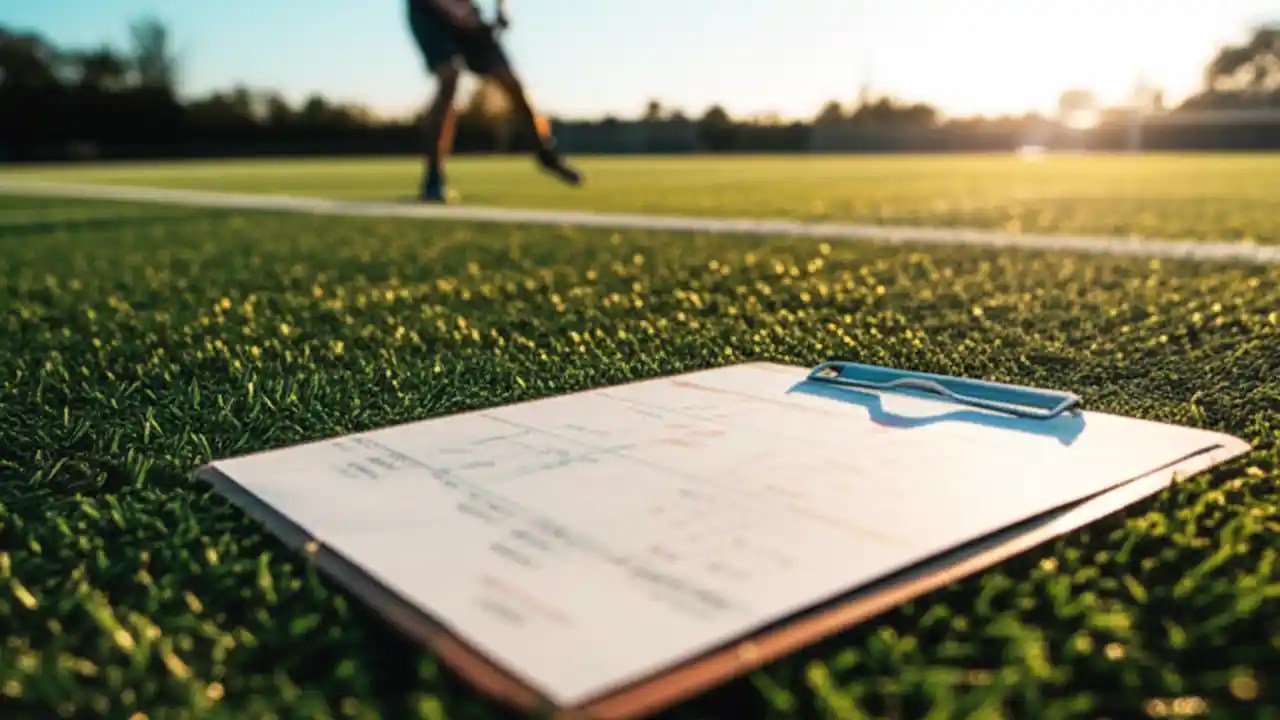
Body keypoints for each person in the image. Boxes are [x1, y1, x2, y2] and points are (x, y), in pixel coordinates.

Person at [407, 0, 583, 202]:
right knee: (450, 76)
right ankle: (433, 177)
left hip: (468, 13)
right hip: (429, 13)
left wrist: (501, 11)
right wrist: (454, 10)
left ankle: (545, 153)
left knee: (513, 84)